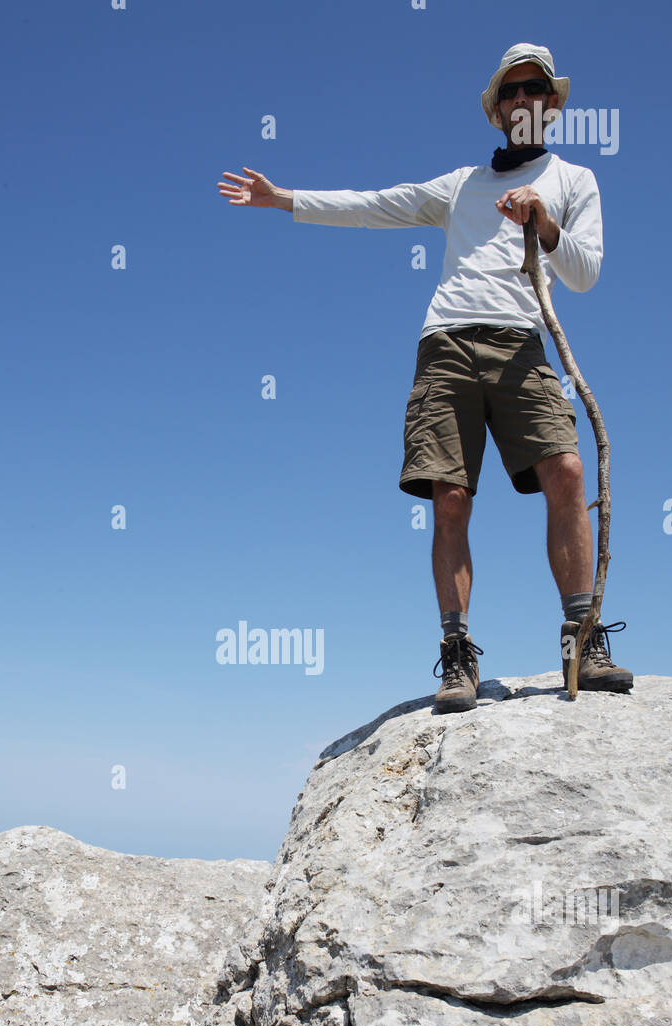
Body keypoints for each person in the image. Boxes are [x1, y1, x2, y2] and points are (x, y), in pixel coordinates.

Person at [217, 42, 633, 713]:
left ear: (551, 107)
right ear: (498, 109)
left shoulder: (574, 179)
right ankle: (457, 653)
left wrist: (545, 221)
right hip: (445, 341)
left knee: (568, 473)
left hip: (524, 341)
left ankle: (582, 639)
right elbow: (378, 203)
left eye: (535, 90)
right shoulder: (462, 184)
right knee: (450, 497)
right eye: (512, 91)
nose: (524, 99)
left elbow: (584, 274)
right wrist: (284, 198)